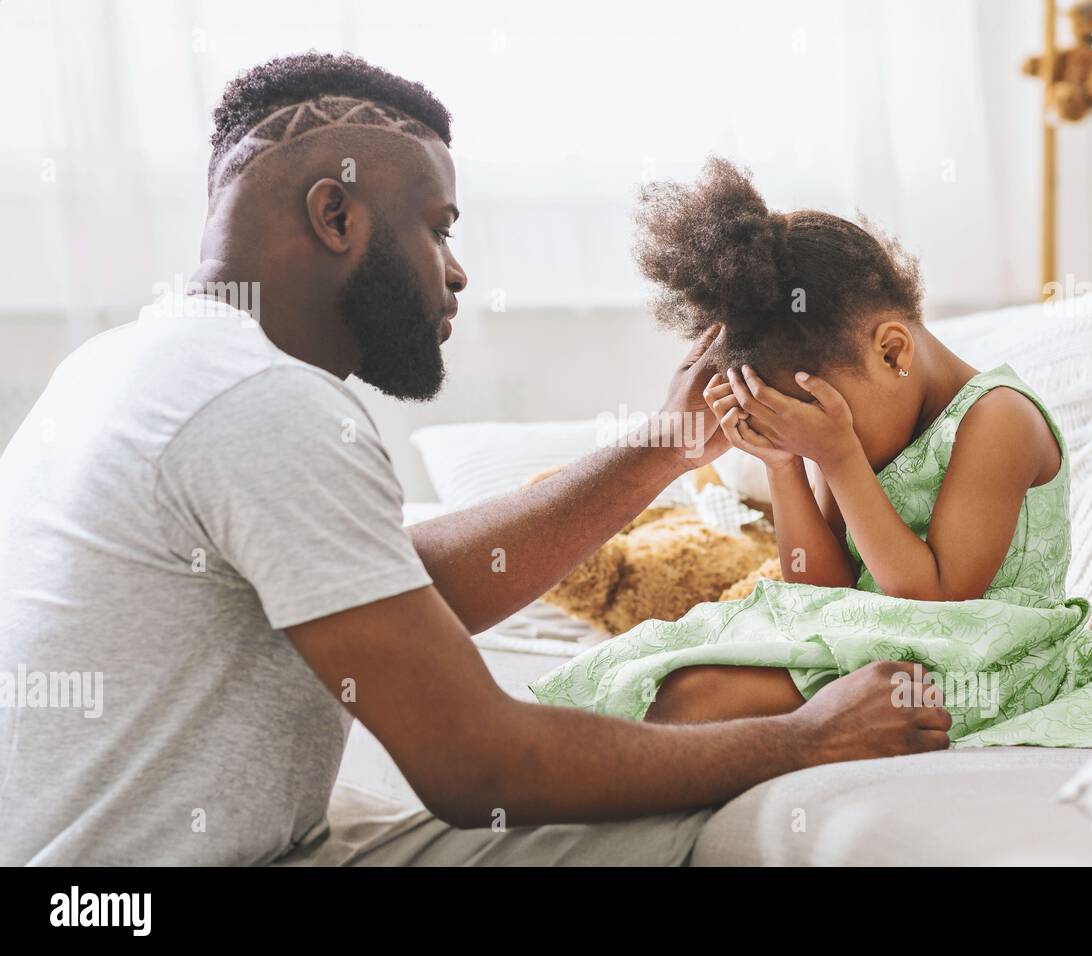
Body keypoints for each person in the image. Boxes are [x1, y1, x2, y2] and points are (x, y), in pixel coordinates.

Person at [0, 54, 950, 867]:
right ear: (336, 213)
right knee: (704, 834)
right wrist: (804, 740)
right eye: (440, 227)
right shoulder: (262, 404)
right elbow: (478, 767)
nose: (456, 270)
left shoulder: (133, 366)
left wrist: (660, 449)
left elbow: (403, 592)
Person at [531, 158, 1092, 746]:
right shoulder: (843, 441)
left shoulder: (997, 419)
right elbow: (822, 586)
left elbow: (936, 599)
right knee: (663, 679)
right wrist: (787, 466)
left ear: (893, 351)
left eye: (823, 424)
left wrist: (836, 457)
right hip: (870, 641)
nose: (821, 440)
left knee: (699, 700)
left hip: (984, 660)